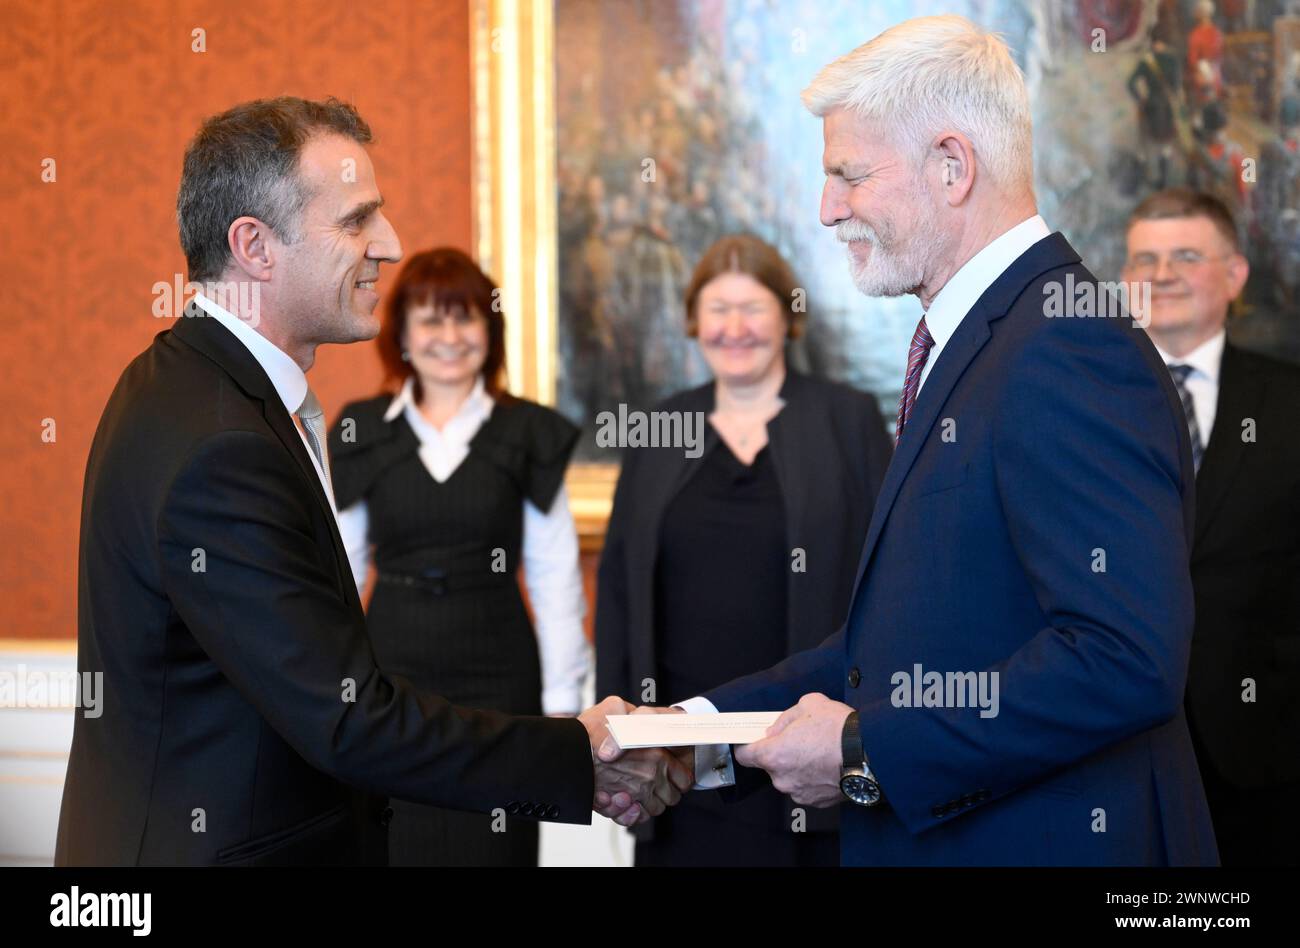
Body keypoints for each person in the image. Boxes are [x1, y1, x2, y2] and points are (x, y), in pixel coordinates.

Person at [620, 15, 1218, 866]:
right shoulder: (979, 341)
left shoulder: (1064, 347)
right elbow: (895, 652)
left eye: (849, 176)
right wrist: (691, 729)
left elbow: (1125, 660)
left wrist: (864, 751)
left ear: (952, 166)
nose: (827, 210)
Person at [55, 96, 688, 866]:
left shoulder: (182, 383)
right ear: (254, 245)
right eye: (357, 221)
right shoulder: (221, 442)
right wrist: (575, 753)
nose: (388, 245)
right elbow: (345, 719)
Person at [596, 235, 891, 866]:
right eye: (717, 309)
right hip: (679, 763)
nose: (735, 328)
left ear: (788, 318)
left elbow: (891, 580)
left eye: (752, 308)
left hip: (809, 756)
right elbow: (620, 594)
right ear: (693, 321)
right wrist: (623, 743)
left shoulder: (848, 420)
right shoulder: (658, 430)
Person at [329, 248, 589, 866]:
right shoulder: (361, 431)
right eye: (430, 320)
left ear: (489, 332)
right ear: (403, 336)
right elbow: (337, 570)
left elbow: (557, 581)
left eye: (465, 318)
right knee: (394, 845)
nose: (449, 337)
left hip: (501, 678)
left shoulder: (529, 434)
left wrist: (562, 713)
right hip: (391, 678)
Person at [1122, 188, 1300, 866]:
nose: (1161, 275)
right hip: (1113, 744)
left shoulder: (1289, 402)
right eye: (1145, 259)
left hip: (1265, 751)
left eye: (1186, 256)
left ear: (1235, 274)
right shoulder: (1079, 402)